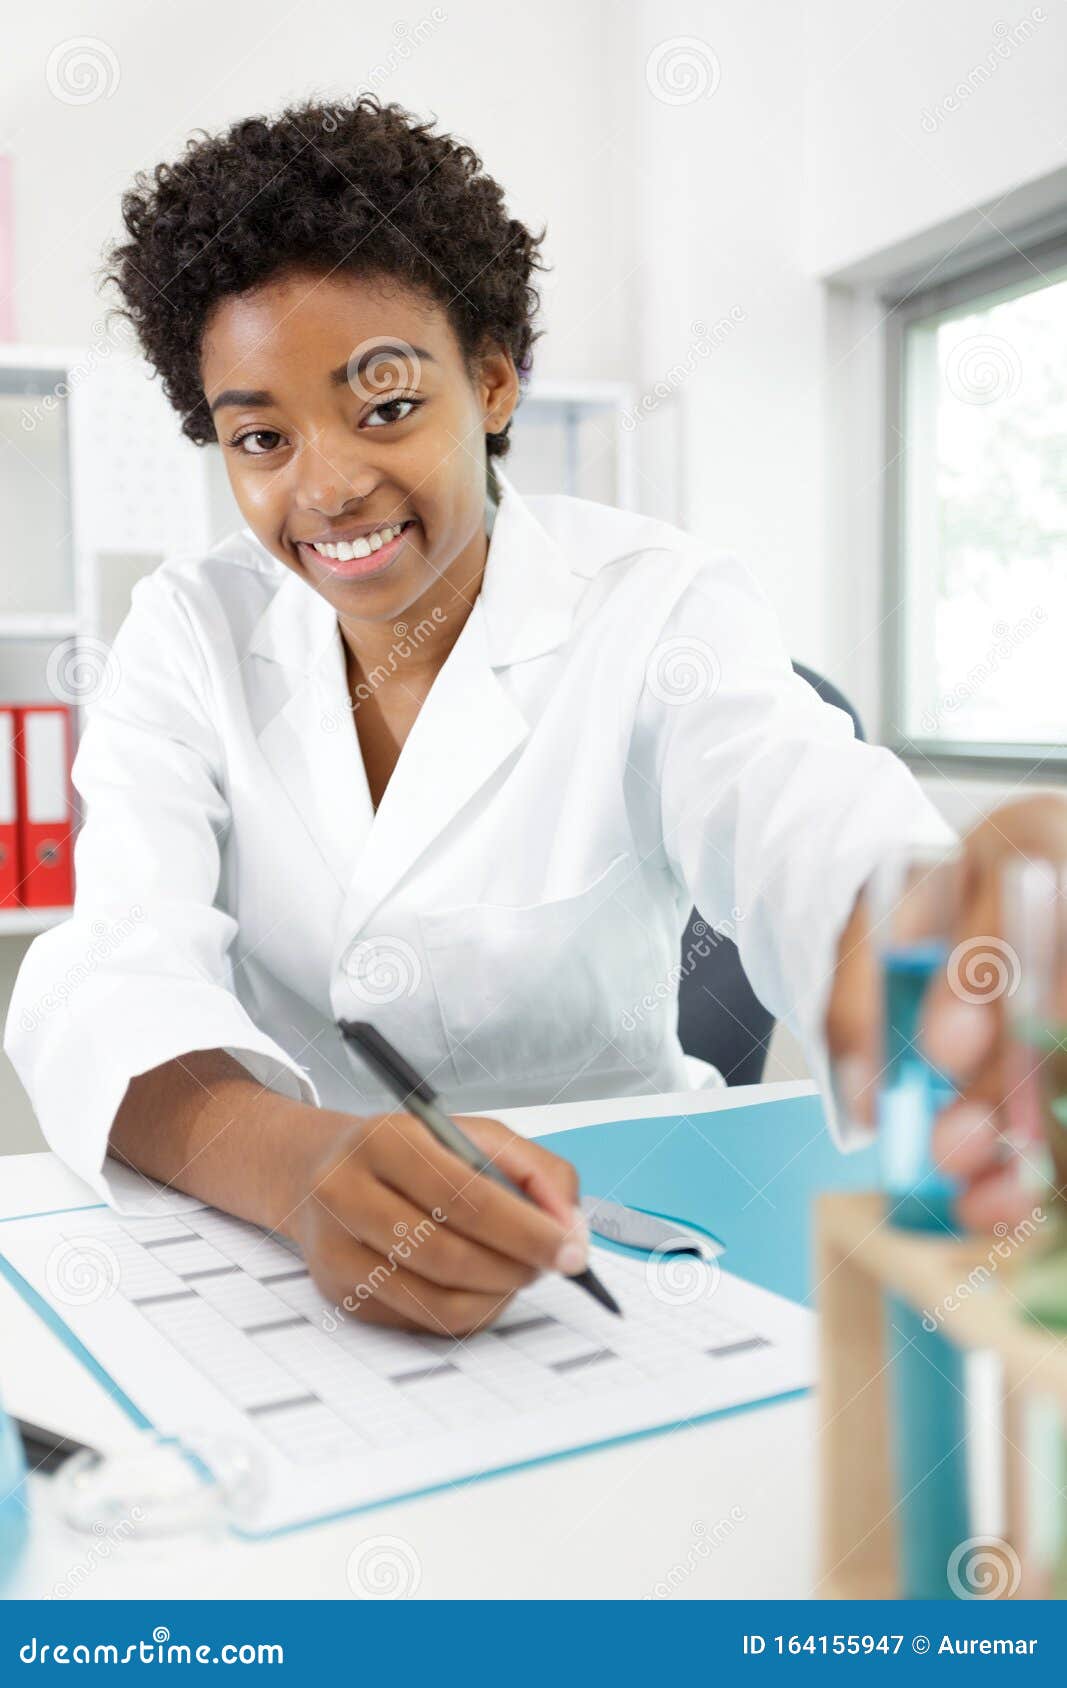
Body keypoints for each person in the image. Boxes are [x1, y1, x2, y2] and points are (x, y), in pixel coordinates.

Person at [6, 96, 1064, 1336]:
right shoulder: (189, 630)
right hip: (277, 1243)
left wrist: (968, 976)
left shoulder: (651, 604)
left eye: (386, 406)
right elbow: (114, 975)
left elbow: (810, 834)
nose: (328, 483)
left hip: (610, 1232)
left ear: (494, 380)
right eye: (260, 437)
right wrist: (300, 1168)